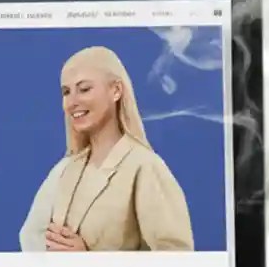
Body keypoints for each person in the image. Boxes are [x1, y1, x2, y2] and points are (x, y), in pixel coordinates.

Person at [20, 45, 195, 252]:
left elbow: (177, 262)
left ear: (116, 91)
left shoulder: (145, 167)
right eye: (66, 92)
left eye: (84, 89)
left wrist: (91, 263)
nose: (72, 102)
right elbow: (31, 239)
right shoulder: (64, 170)